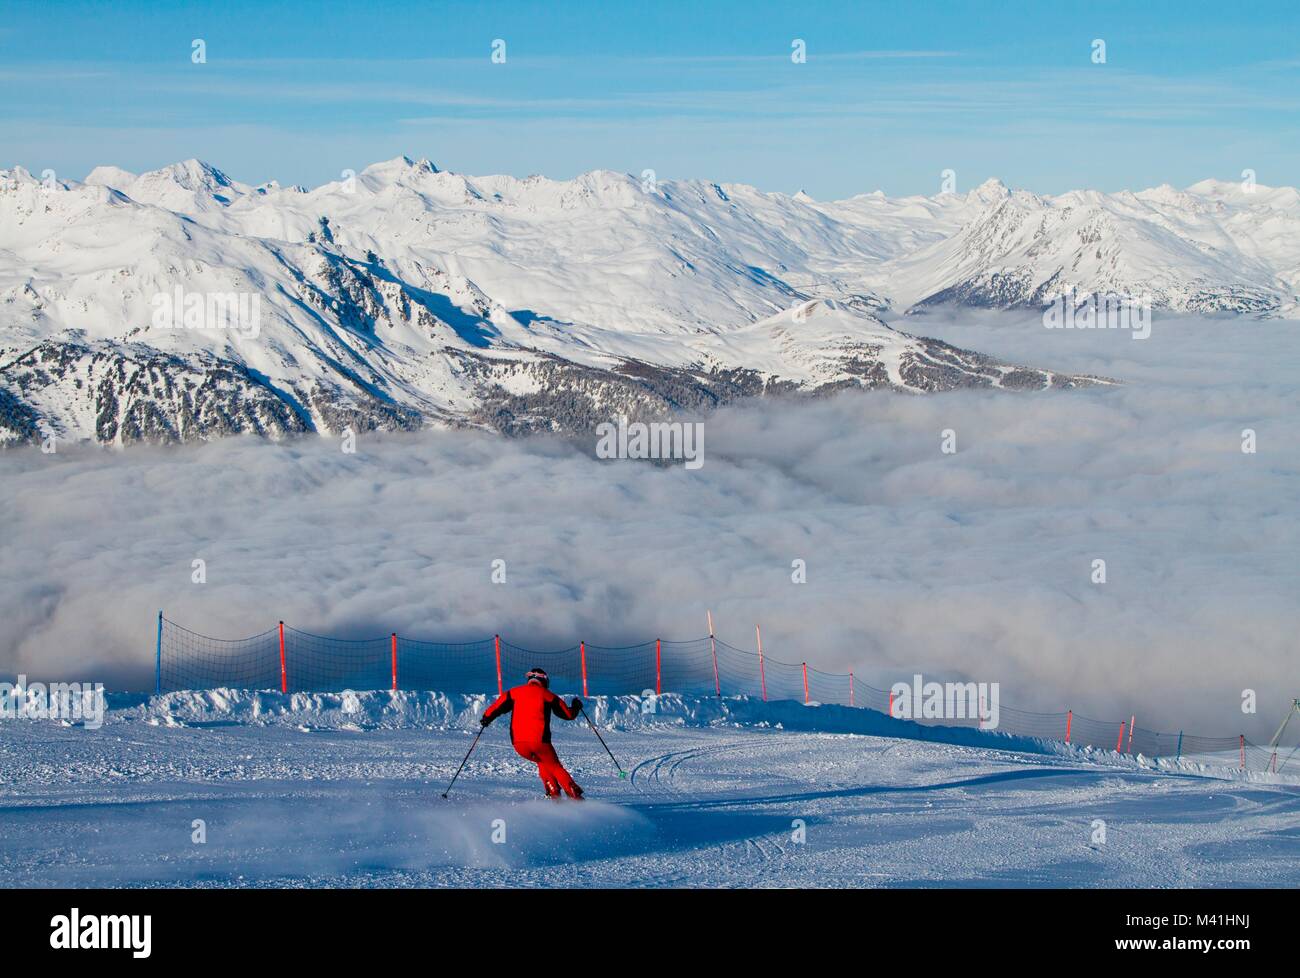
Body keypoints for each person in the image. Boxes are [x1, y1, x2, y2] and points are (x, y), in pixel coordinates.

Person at [480, 667, 584, 800]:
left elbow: (496, 708)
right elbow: (568, 714)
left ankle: (554, 793)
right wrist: (576, 707)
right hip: (540, 742)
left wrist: (486, 719)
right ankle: (574, 794)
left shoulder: (513, 693)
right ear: (544, 681)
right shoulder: (548, 695)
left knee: (542, 761)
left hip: (519, 744)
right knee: (554, 765)